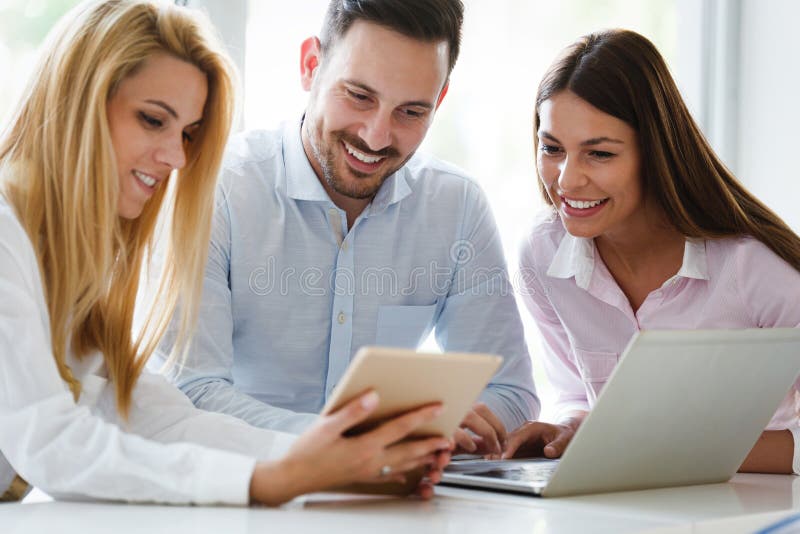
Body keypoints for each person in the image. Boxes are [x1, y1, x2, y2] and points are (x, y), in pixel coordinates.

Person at [0, 0, 452, 506]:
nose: (176, 157)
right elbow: (50, 442)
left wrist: (339, 460)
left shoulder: (79, 251)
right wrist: (268, 480)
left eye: (188, 134)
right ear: (77, 101)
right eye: (153, 120)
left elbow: (157, 416)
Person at [152, 0, 539, 455]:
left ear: (439, 101)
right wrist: (364, 437)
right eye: (359, 96)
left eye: (411, 112)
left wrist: (448, 421)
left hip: (396, 501)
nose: (376, 137)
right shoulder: (217, 191)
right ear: (311, 66)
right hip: (245, 492)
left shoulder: (456, 207)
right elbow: (189, 392)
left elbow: (511, 392)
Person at [501, 28, 800, 474]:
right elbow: (578, 397)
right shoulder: (544, 255)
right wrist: (568, 430)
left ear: (655, 153)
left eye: (599, 154)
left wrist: (663, 449)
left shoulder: (753, 269)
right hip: (622, 504)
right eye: (552, 149)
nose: (566, 180)